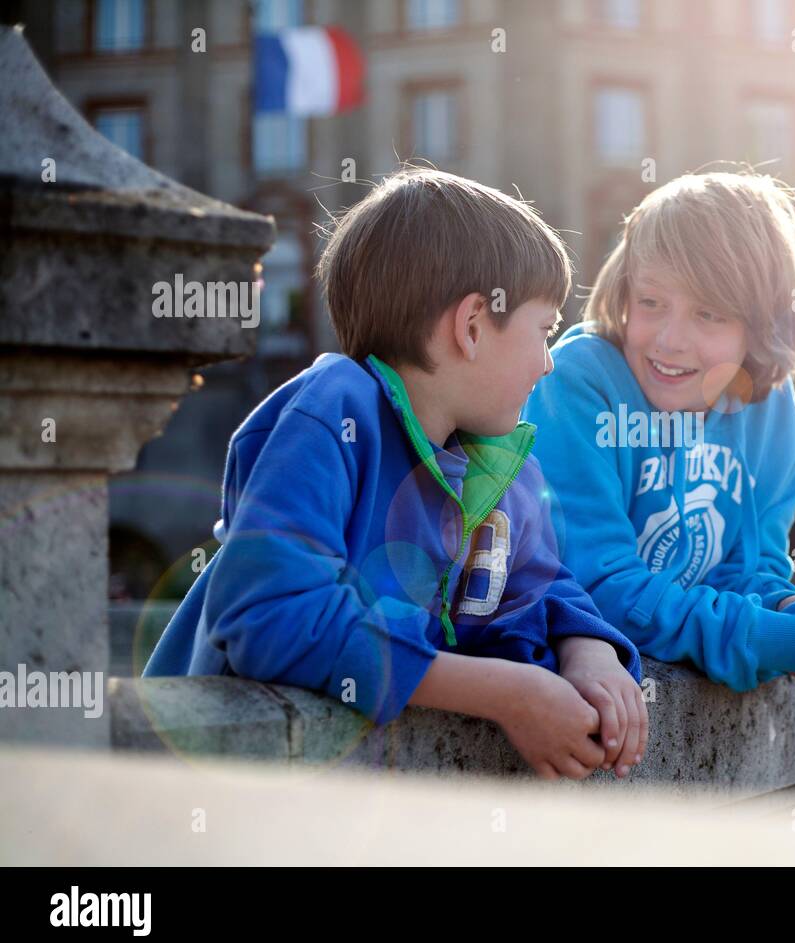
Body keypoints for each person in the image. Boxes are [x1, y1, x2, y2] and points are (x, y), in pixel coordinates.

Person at [145, 167, 647, 780]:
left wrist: (587, 649)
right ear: (470, 327)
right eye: (543, 331)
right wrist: (506, 693)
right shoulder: (333, 410)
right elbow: (272, 619)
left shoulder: (503, 467)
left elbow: (540, 586)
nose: (548, 363)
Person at [523, 170, 795, 733]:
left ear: (758, 328)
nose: (669, 338)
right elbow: (601, 588)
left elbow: (750, 568)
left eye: (708, 314)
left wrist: (789, 614)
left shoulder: (771, 414)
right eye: (652, 302)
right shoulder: (580, 383)